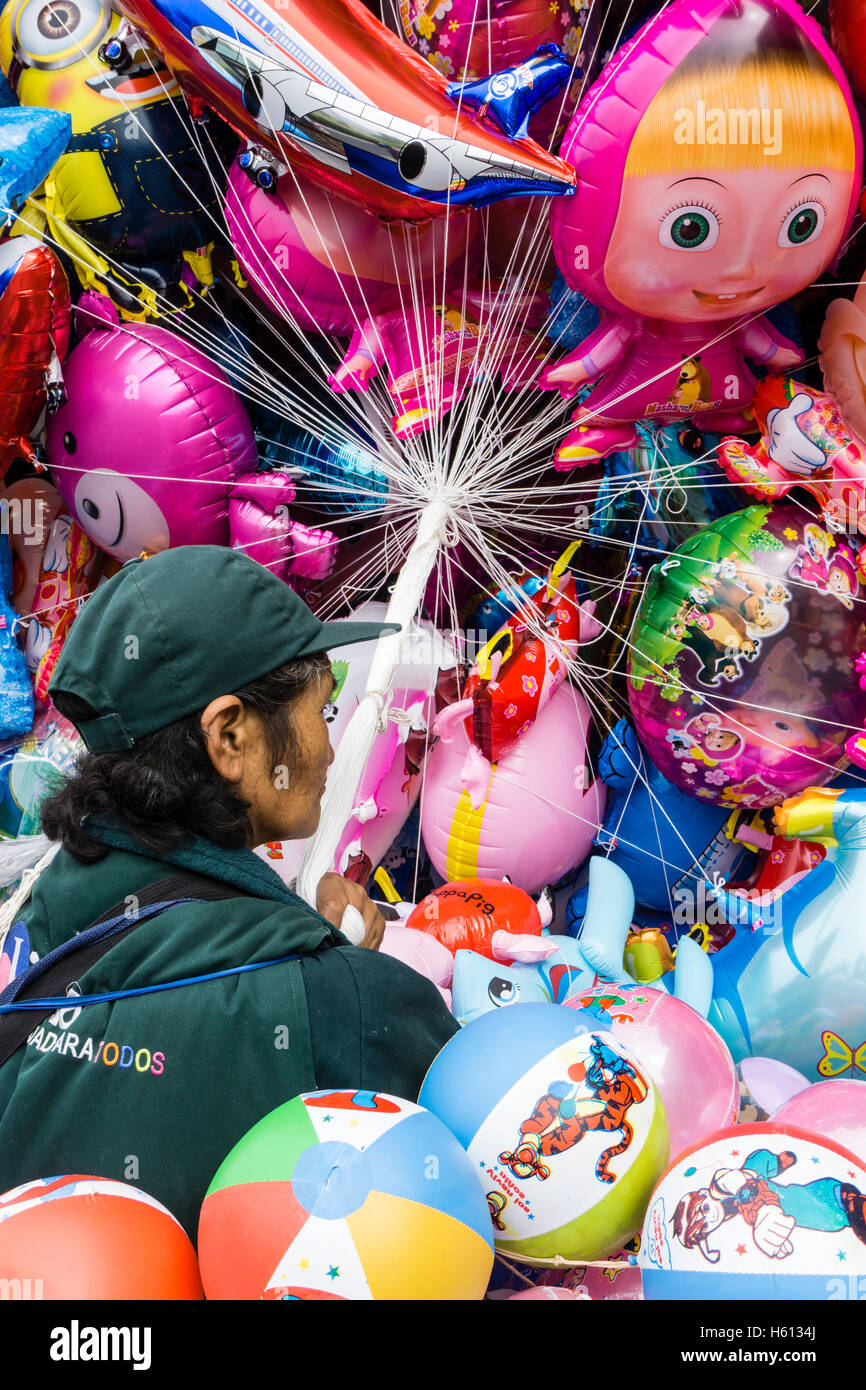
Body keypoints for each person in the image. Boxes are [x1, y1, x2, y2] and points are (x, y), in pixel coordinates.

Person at [0, 547, 457, 1235]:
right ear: (231, 737)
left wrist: (304, 932)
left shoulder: (36, 915)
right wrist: (336, 967)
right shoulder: (345, 1002)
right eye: (322, 715)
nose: (331, 752)